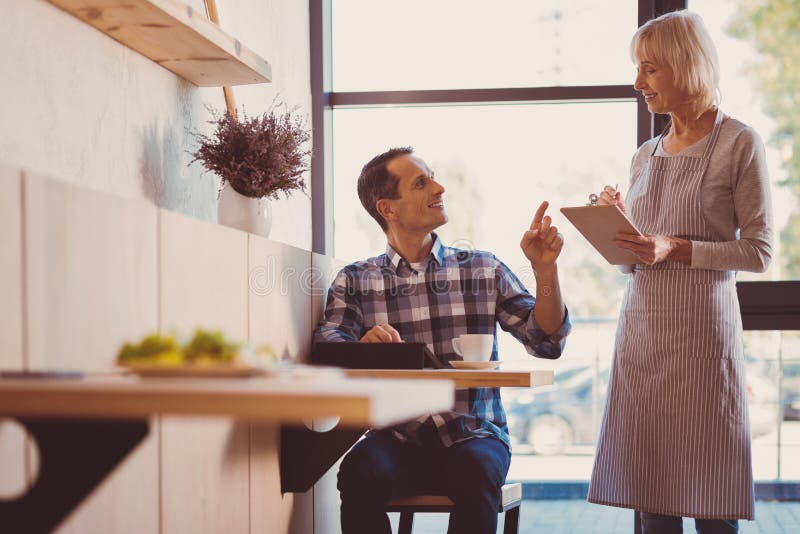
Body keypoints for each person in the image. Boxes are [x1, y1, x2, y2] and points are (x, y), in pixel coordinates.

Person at [314, 147, 570, 534]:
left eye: (432, 176)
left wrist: (545, 271)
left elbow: (546, 341)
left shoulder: (483, 268)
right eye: (421, 182)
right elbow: (328, 343)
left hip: (474, 432)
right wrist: (363, 344)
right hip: (396, 434)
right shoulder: (355, 279)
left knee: (476, 468)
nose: (439, 186)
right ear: (388, 209)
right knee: (357, 471)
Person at [587, 10, 773, 533]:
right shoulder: (644, 155)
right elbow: (635, 261)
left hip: (702, 338)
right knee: (652, 504)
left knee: (713, 499)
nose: (637, 83)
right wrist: (617, 226)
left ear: (684, 65)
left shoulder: (739, 143)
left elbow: (758, 251)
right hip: (642, 336)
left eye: (649, 69)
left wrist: (677, 248)